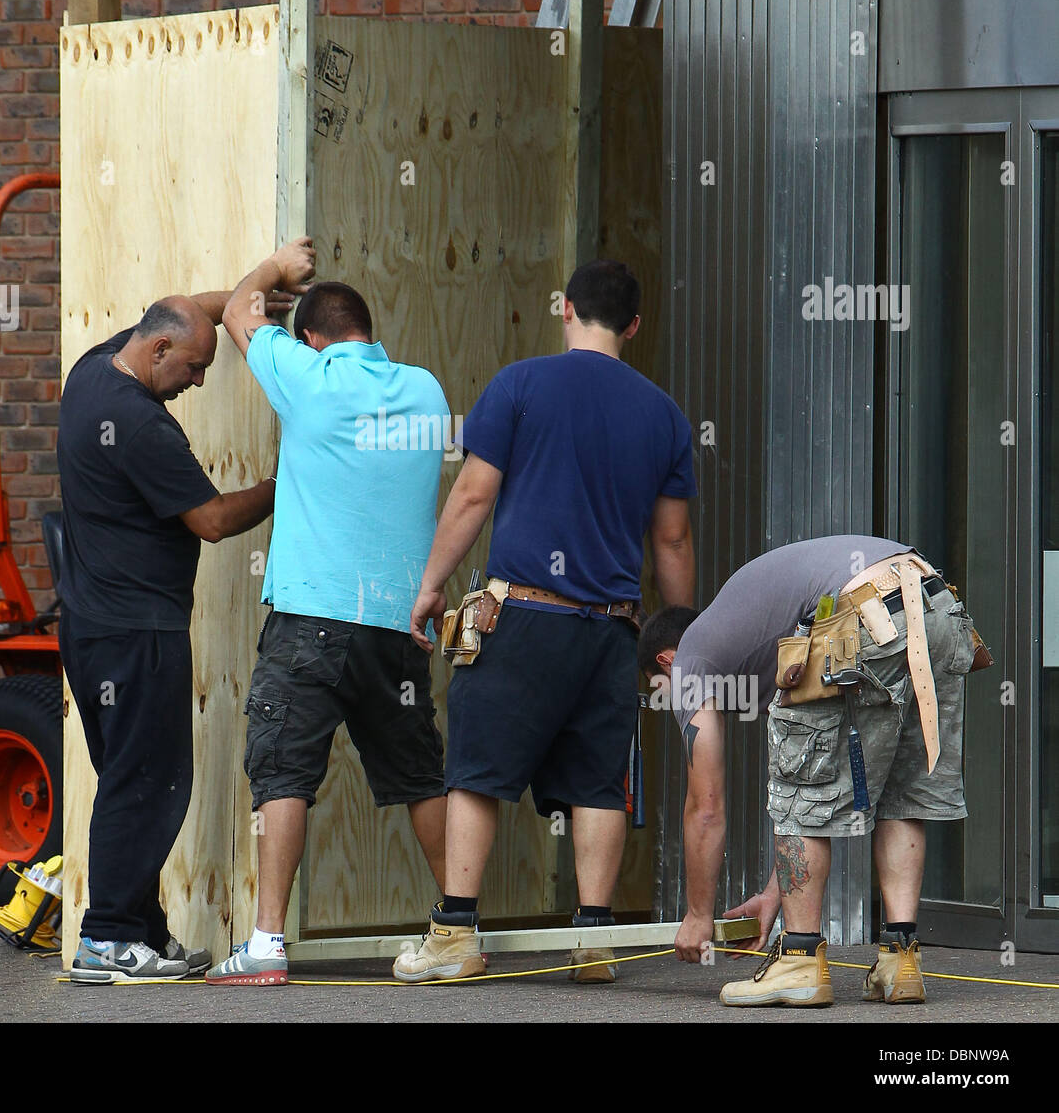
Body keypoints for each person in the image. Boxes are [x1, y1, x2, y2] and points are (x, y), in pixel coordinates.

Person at [393, 259, 697, 985]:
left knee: (476, 771)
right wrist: (680, 635)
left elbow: (472, 495)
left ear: (565, 308)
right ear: (633, 325)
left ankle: (456, 932)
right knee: (598, 782)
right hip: (612, 630)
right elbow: (673, 540)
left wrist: (431, 585)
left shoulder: (520, 384)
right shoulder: (665, 415)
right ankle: (593, 941)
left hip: (523, 614)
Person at [204, 238, 452, 987]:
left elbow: (240, 313)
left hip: (311, 618)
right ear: (368, 332)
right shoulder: (427, 391)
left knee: (284, 770)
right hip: (397, 627)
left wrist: (276, 269)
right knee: (420, 775)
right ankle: (456, 923)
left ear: (311, 337)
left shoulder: (306, 378)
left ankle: (267, 944)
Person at [58, 263, 300, 984]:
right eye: (194, 369)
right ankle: (105, 938)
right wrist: (288, 484)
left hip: (93, 626)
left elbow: (185, 308)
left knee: (131, 778)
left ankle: (143, 932)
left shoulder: (93, 372)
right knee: (147, 781)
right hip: (138, 633)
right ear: (159, 351)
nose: (198, 382)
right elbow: (214, 520)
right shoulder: (137, 426)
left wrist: (249, 293)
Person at [638, 535, 983, 1007]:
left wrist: (698, 914)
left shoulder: (692, 659)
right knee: (902, 795)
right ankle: (899, 960)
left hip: (862, 611)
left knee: (804, 786)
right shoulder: (746, 635)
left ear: (666, 662)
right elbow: (819, 795)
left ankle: (799, 960)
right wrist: (770, 898)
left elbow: (707, 805)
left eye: (661, 686)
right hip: (935, 605)